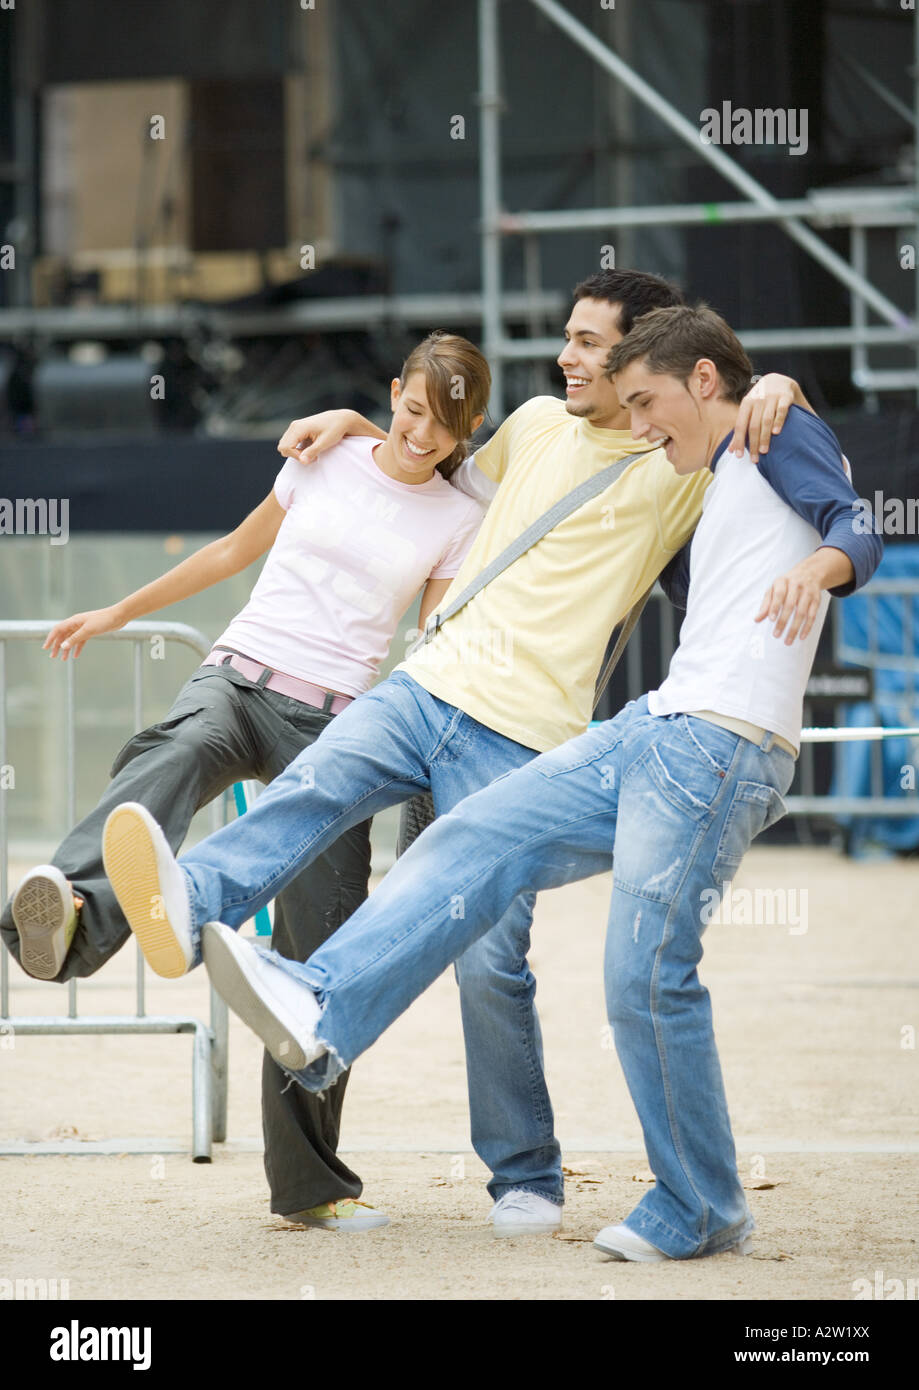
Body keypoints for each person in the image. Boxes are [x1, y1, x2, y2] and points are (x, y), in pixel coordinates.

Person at [96, 268, 817, 1236]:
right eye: (565, 334)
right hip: (429, 682)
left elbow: (743, 420)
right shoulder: (529, 421)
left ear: (646, 359)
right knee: (314, 788)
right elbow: (424, 472)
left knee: (489, 958)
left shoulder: (673, 466)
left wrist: (783, 385)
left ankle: (524, 1171)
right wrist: (359, 420)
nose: (565, 354)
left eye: (590, 343)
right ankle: (193, 905)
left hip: (524, 729)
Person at [1, 331, 489, 1232]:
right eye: (414, 410)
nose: (422, 435)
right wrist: (117, 611)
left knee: (316, 958)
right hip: (238, 676)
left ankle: (311, 1188)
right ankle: (64, 913)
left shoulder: (459, 514)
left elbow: (434, 635)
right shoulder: (324, 457)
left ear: (468, 430)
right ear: (393, 392)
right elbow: (231, 553)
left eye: (446, 425)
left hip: (335, 725)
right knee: (170, 753)